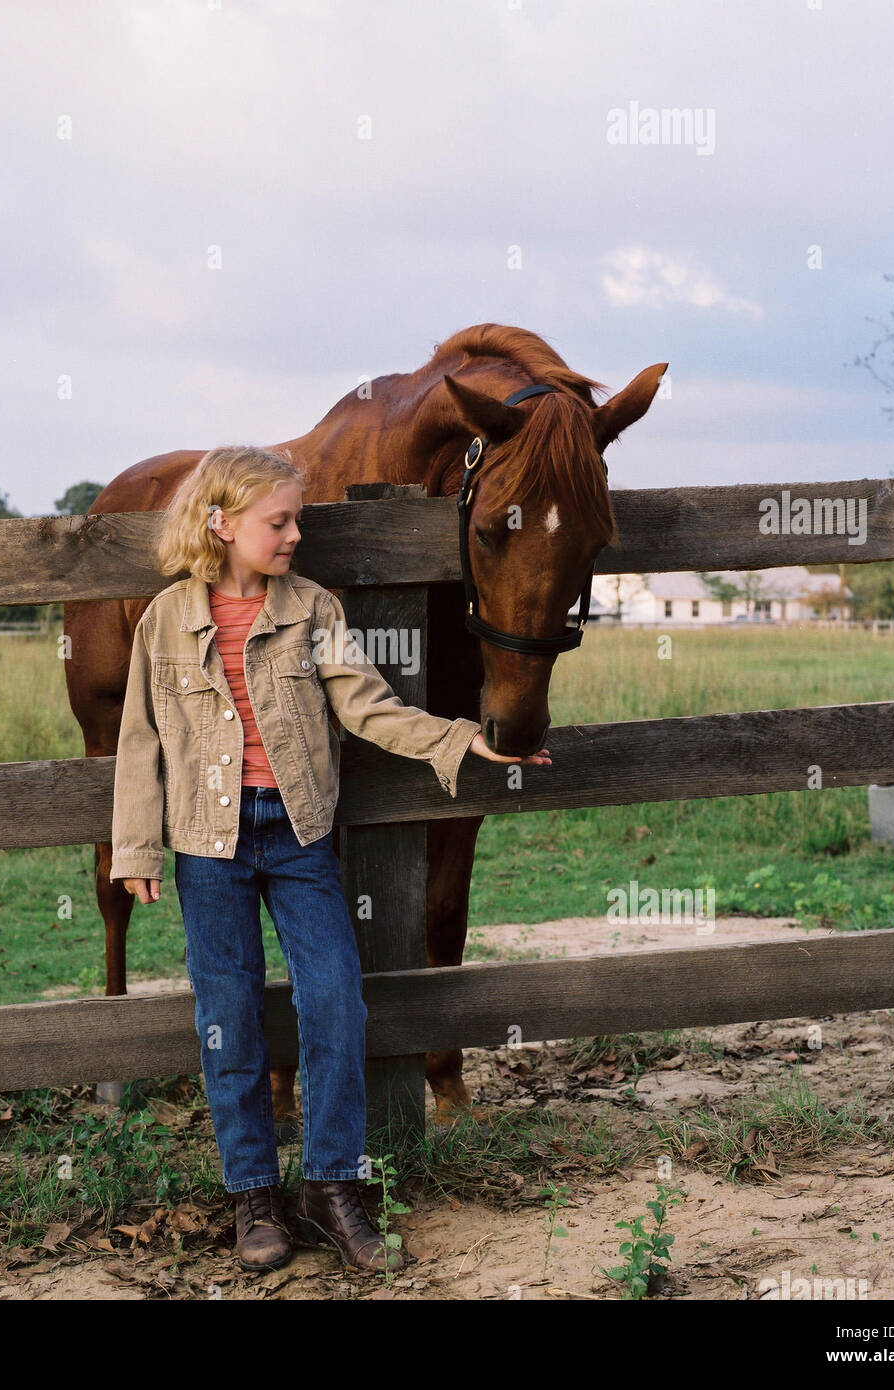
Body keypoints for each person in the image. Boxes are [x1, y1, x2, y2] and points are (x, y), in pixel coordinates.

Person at [108, 443, 551, 1275]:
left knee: (335, 1002)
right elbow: (139, 744)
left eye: (297, 520)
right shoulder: (164, 620)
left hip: (300, 836)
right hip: (209, 846)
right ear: (221, 524)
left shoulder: (312, 610)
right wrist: (135, 848)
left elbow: (367, 707)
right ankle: (252, 1198)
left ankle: (332, 1187)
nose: (294, 536)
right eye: (277, 522)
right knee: (229, 1018)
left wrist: (460, 740)